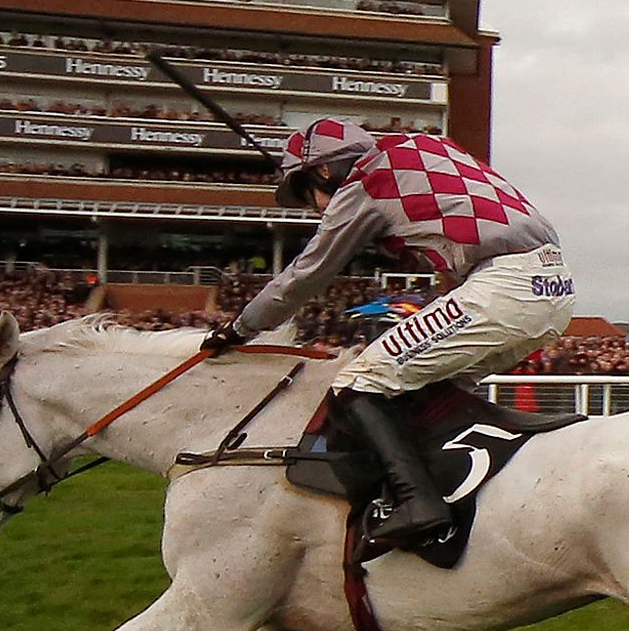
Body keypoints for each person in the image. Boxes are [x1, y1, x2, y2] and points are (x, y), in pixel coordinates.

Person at [203, 118, 572, 541]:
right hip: (554, 288)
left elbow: (306, 274)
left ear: (323, 170)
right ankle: (458, 490)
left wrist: (241, 328)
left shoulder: (362, 183)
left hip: (504, 286)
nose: (318, 208)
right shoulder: (425, 148)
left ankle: (419, 502)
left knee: (358, 382)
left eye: (309, 194)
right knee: (426, 391)